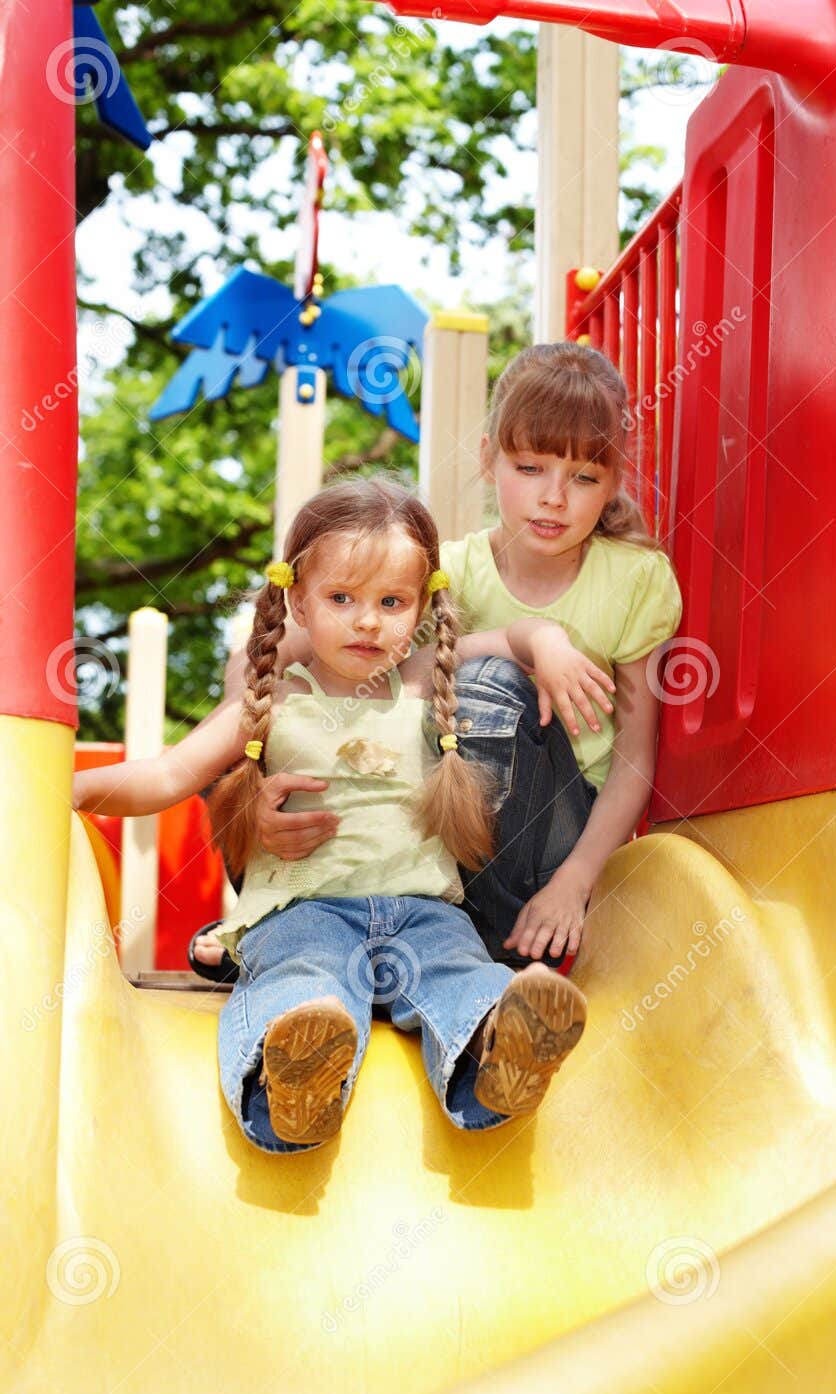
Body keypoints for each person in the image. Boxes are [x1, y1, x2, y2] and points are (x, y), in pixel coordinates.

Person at [73, 478, 608, 1154]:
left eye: (391, 602)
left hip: (425, 910)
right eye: (341, 599)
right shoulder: (268, 704)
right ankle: (293, 1081)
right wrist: (69, 789)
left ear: (420, 608)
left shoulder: (420, 681)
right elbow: (169, 772)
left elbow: (515, 636)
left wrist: (549, 642)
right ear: (298, 600)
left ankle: (499, 1060)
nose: (367, 621)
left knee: (463, 976)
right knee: (306, 977)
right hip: (306, 910)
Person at [188, 342, 684, 982]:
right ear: (489, 459)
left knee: (486, 688)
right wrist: (249, 762)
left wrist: (575, 882)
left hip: (542, 846)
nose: (555, 498)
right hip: (419, 844)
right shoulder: (443, 569)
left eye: (585, 477)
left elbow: (634, 758)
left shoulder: (635, 580)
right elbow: (260, 655)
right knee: (262, 716)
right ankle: (284, 928)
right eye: (530, 467)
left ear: (613, 481)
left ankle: (455, 946)